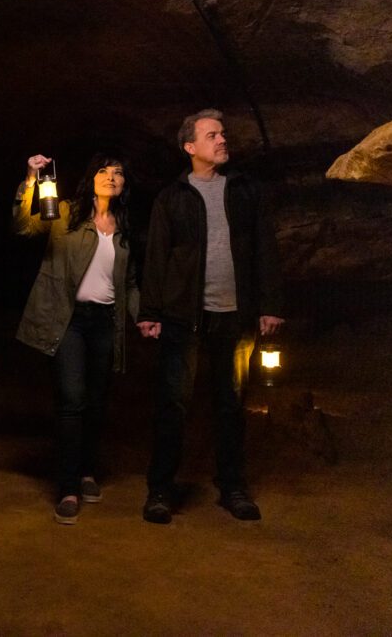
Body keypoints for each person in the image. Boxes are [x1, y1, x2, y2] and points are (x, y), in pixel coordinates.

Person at [137, 108, 284, 524]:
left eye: (222, 133)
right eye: (212, 135)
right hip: (185, 316)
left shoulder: (244, 190)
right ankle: (161, 491)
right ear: (190, 147)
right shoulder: (173, 197)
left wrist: (270, 304)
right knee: (172, 405)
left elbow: (264, 249)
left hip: (235, 317)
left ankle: (233, 487)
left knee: (232, 404)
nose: (222, 140)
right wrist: (150, 310)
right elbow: (157, 256)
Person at [13, 152, 138, 525]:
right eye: (104, 170)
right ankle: (67, 486)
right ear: (91, 177)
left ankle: (86, 471)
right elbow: (24, 227)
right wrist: (32, 180)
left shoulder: (125, 228)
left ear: (124, 184)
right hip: (69, 321)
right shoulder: (64, 213)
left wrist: (144, 317)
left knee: (96, 402)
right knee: (72, 399)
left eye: (118, 172)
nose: (111, 177)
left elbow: (129, 283)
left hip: (104, 322)